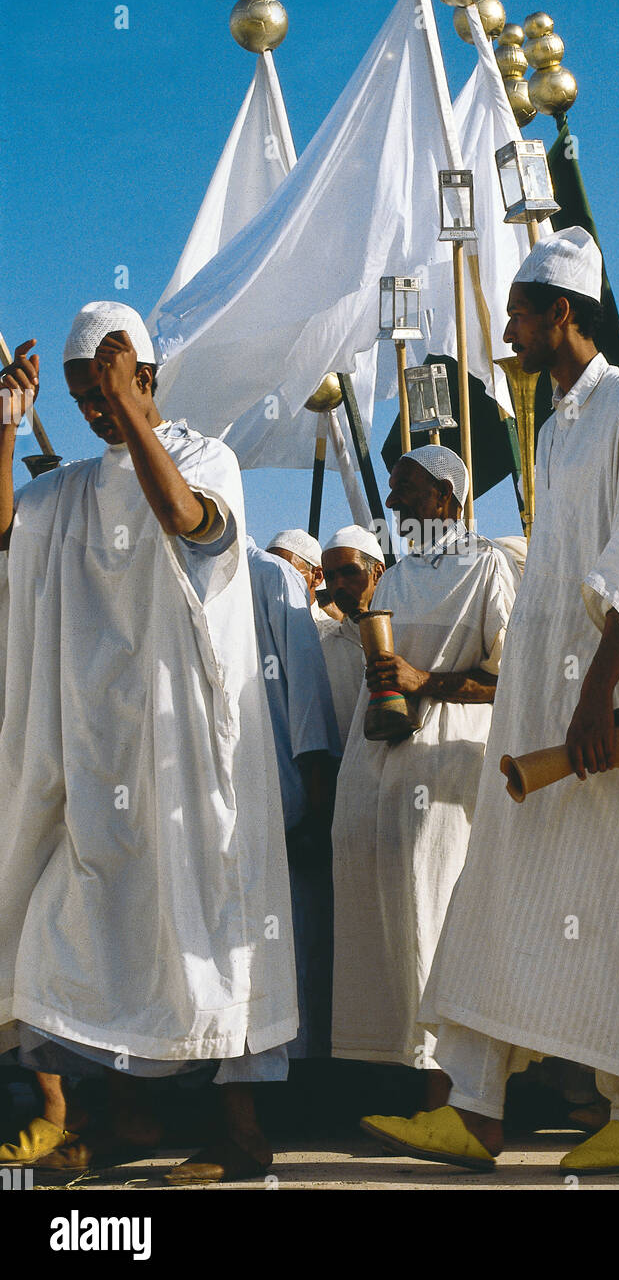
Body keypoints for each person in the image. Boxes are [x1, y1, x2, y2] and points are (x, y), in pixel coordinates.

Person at [361, 227, 619, 1174]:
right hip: (535, 701)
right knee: (495, 894)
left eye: (516, 313)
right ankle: (473, 1111)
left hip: (591, 706)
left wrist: (595, 697)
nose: (507, 329)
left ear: (561, 314)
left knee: (613, 895)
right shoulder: (550, 423)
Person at [0, 302, 298, 1182]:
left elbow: (189, 520)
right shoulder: (72, 489)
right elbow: (7, 538)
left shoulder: (209, 458)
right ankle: (117, 1121)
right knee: (75, 929)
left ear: (145, 378)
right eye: (82, 396)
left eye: (105, 391)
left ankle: (241, 1138)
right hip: (98, 756)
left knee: (206, 932)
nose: (94, 410)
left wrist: (131, 410)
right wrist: (5, 428)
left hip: (190, 754)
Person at [330, 446, 517, 1108]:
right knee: (388, 924)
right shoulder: (399, 576)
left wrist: (425, 683)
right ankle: (420, 1091)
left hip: (444, 772)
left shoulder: (488, 567)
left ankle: (459, 1099)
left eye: (405, 489)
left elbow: (510, 674)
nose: (392, 502)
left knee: (436, 918)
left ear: (446, 496)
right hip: (380, 765)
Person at [246, 536, 341, 1059]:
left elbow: (306, 694)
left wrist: (315, 796)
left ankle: (298, 1070)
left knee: (295, 938)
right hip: (216, 795)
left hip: (283, 787)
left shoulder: (271, 577)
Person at [319, 526, 385, 747]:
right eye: (330, 577)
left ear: (377, 573)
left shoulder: (407, 634)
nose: (339, 585)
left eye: (349, 572)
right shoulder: (325, 649)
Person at [266, 529, 329, 627]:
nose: (275, 578)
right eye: (269, 571)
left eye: (286, 571)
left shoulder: (333, 636)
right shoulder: (251, 625)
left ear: (317, 576)